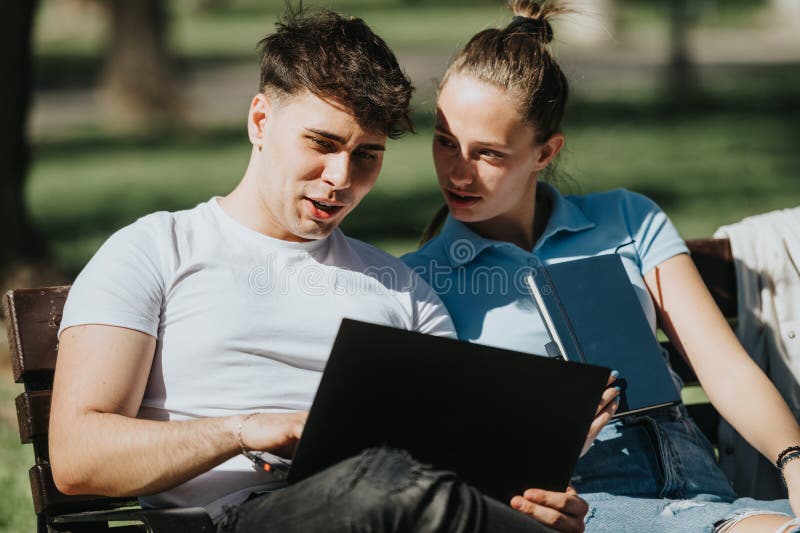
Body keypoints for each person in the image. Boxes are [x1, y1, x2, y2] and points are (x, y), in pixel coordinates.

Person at [49, 6, 601, 533]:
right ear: (261, 120)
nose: (340, 177)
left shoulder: (405, 290)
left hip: (398, 508)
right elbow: (77, 459)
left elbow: (453, 465)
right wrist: (248, 430)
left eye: (367, 155)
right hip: (240, 518)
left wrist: (527, 507)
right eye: (323, 143)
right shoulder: (156, 249)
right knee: (387, 485)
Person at [401, 1, 800, 531]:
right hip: (584, 504)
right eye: (445, 143)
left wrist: (795, 463)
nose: (457, 171)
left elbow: (721, 366)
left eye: (489, 154)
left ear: (545, 153)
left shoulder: (628, 219)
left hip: (703, 485)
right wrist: (546, 439)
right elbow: (443, 457)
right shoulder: (422, 279)